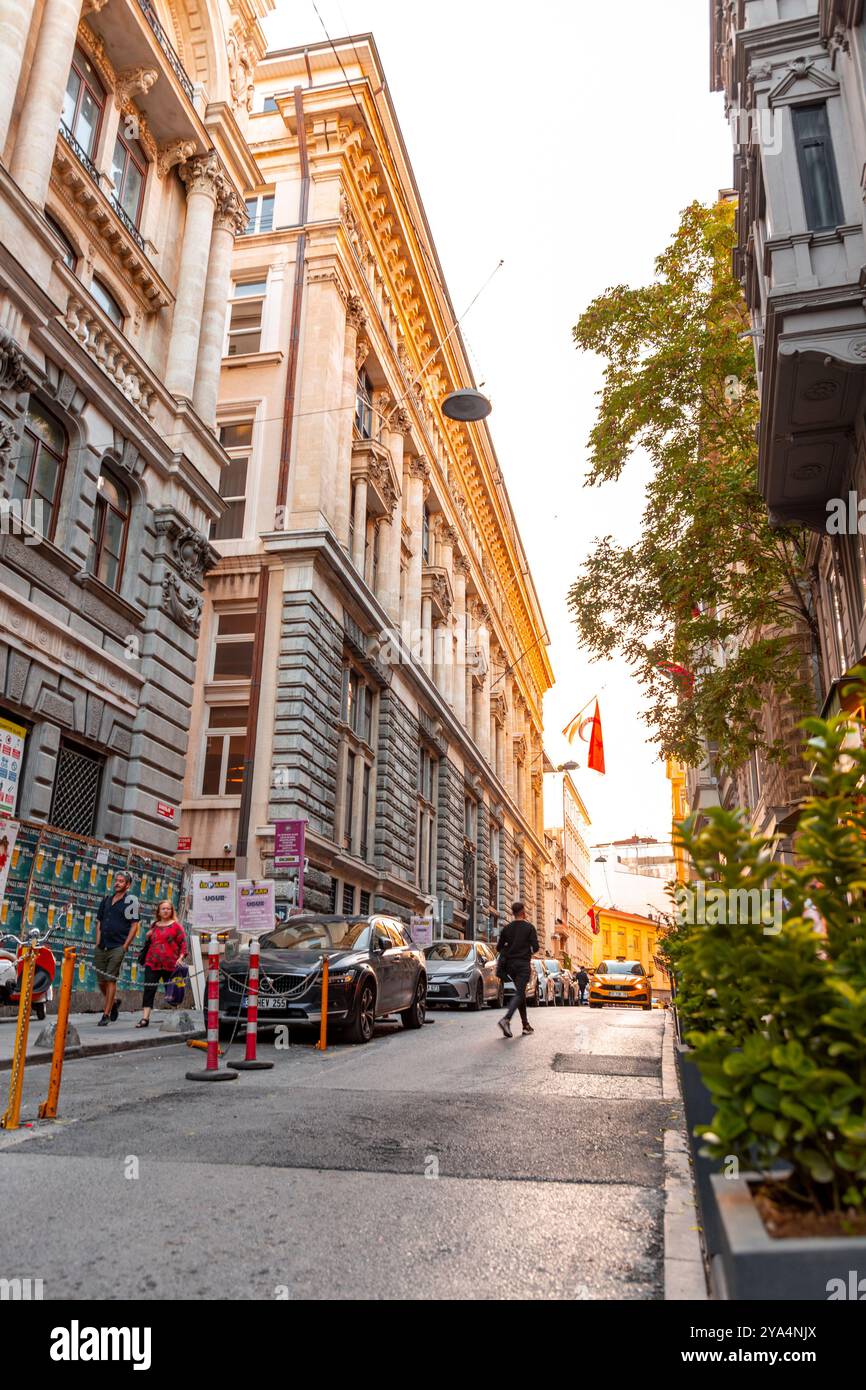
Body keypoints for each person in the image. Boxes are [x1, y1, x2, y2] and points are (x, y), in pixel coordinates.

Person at [94, 870, 140, 1026]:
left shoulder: (131, 901)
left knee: (110, 979)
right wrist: (97, 941)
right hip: (102, 946)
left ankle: (105, 1014)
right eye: (116, 880)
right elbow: (99, 921)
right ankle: (113, 1003)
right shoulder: (106, 900)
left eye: (121, 881)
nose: (117, 883)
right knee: (101, 980)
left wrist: (125, 946)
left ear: (128, 885)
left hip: (117, 946)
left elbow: (135, 925)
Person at [137, 900, 188, 1028]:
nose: (166, 911)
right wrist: (148, 937)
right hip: (152, 962)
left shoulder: (176, 926)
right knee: (149, 989)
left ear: (171, 911)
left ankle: (176, 1015)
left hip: (171, 964)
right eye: (163, 909)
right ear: (159, 911)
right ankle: (145, 1018)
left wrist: (181, 958)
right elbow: (150, 943)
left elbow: (183, 944)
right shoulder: (154, 925)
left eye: (168, 909)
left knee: (172, 990)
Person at [496, 900, 539, 1038]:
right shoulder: (529, 928)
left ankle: (525, 1025)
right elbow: (536, 947)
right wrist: (526, 950)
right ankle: (506, 1019)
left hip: (510, 966)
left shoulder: (507, 929)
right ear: (523, 913)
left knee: (521, 993)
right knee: (520, 993)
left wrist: (510, 947)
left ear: (513, 913)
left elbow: (499, 947)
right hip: (522, 965)